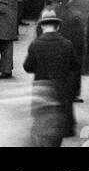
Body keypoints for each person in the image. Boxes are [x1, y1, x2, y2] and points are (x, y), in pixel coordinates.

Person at [23, 8, 81, 147]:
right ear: (58, 26)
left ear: (42, 25)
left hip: (41, 90)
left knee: (40, 126)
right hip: (61, 90)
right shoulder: (67, 44)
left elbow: (28, 67)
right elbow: (75, 66)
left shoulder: (36, 44)